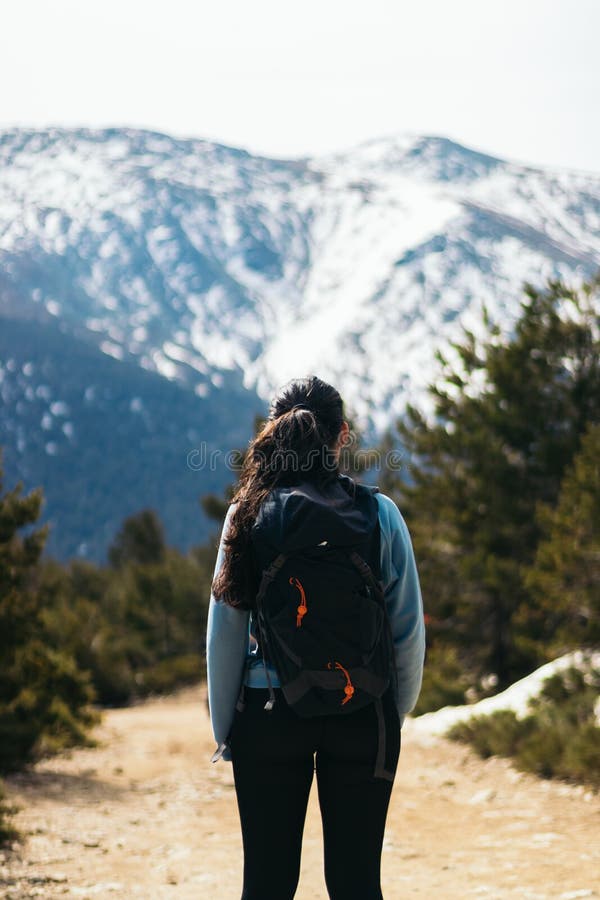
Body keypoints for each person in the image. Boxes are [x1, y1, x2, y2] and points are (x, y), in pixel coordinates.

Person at [206, 375, 425, 900]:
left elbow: (226, 631)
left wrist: (225, 729)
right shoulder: (381, 515)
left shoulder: (247, 513)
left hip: (268, 713)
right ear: (342, 436)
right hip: (363, 711)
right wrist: (390, 712)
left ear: (273, 433)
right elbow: (407, 631)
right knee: (356, 884)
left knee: (267, 881)